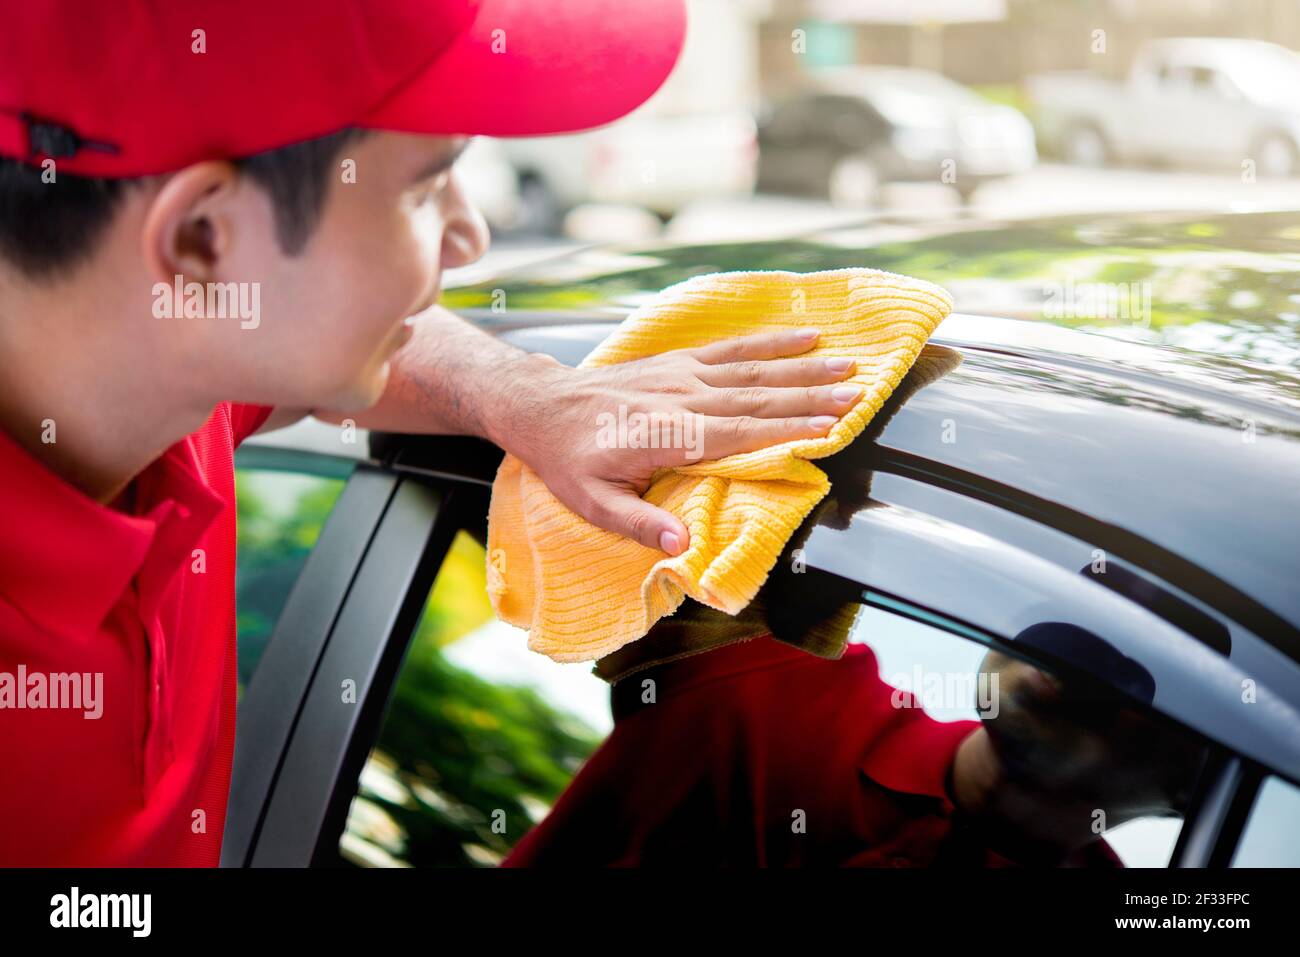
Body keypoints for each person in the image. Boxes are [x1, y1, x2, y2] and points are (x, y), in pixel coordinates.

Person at [0, 0, 865, 865]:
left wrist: (526, 396)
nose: (471, 235)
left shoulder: (171, 380)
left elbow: (365, 342)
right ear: (201, 238)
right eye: (423, 187)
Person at [503, 621, 1204, 867]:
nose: (1088, 647)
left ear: (1198, 786)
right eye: (1075, 612)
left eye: (1153, 667)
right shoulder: (764, 666)